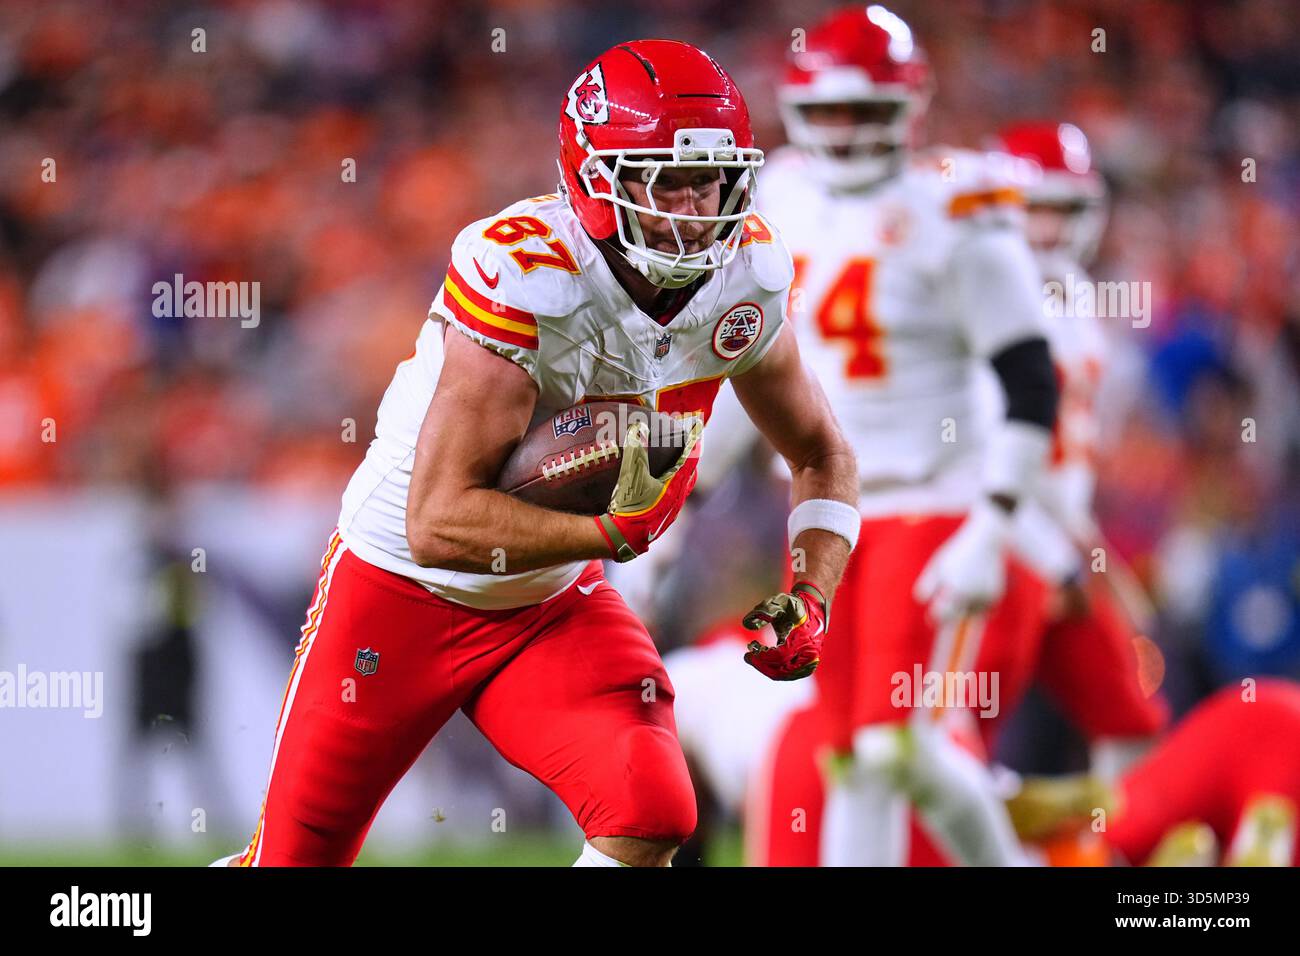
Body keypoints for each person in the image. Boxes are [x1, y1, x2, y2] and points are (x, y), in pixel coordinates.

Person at [214, 39, 858, 868]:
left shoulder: (747, 276)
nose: (697, 208)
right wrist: (612, 533)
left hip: (546, 602)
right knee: (294, 863)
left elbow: (822, 452)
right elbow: (438, 521)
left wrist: (813, 594)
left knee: (650, 807)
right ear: (599, 177)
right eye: (668, 181)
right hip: (401, 588)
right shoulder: (525, 274)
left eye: (713, 181)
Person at [755, 5, 1058, 867]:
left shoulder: (955, 208)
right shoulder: (776, 197)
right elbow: (755, 376)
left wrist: (993, 528)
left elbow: (1032, 381)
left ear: (910, 106)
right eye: (831, 112)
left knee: (893, 749)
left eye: (866, 112)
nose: (846, 134)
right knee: (853, 756)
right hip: (822, 514)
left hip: (933, 500)